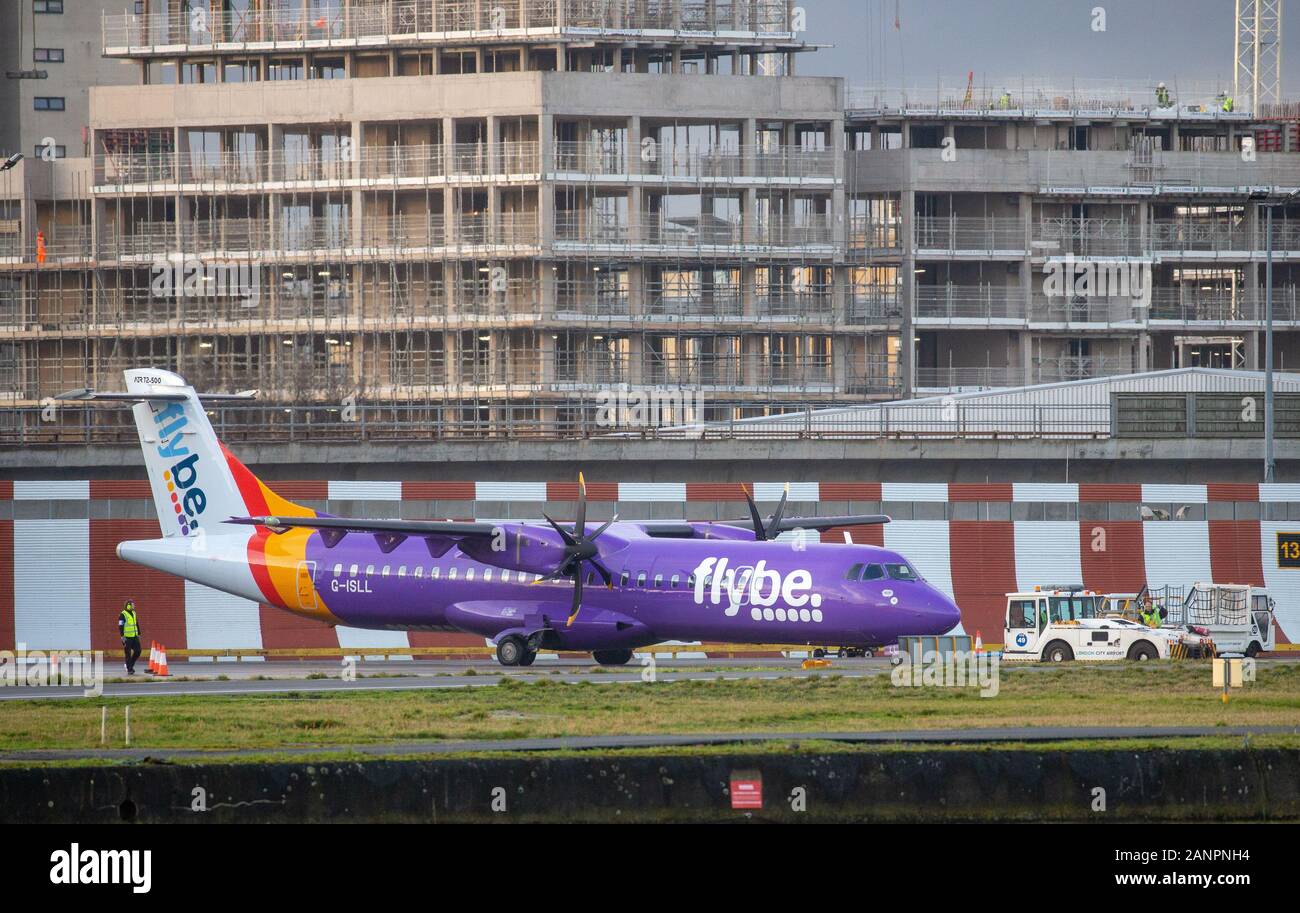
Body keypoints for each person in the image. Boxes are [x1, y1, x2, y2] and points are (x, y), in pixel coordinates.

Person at [118, 599, 142, 675]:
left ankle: (129, 665)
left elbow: (136, 623)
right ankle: (130, 669)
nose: (134, 606)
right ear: (128, 606)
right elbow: (120, 626)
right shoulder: (123, 614)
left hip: (134, 636)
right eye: (132, 605)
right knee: (128, 654)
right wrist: (122, 636)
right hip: (127, 637)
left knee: (138, 651)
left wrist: (139, 633)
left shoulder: (134, 613)